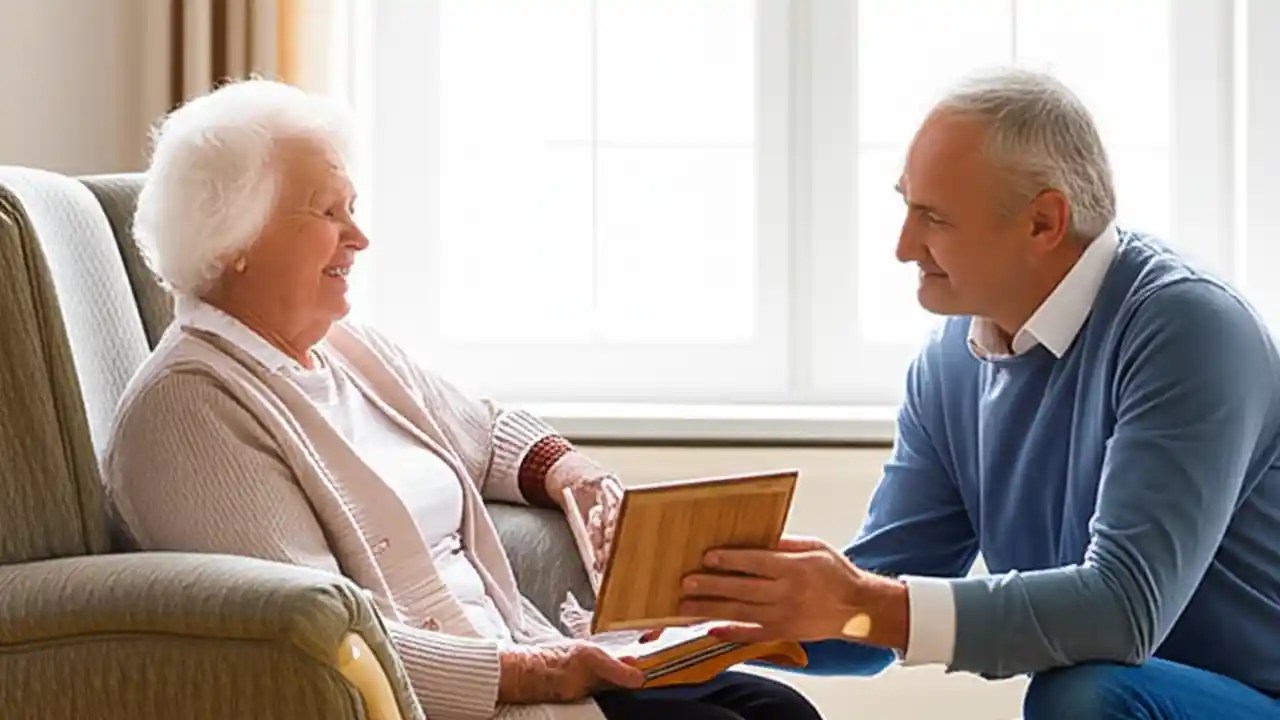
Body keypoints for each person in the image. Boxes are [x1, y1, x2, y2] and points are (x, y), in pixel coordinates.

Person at [103, 79, 821, 720]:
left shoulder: (351, 351)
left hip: (531, 658)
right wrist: (534, 672)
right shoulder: (188, 415)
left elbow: (486, 431)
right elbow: (313, 634)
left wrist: (568, 470)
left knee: (778, 708)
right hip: (465, 699)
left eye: (354, 208)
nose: (359, 237)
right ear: (236, 238)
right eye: (328, 212)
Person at [672, 69, 1280, 718]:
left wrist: (863, 604)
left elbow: (1123, 612)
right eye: (905, 205)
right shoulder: (949, 366)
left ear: (1044, 222)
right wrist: (698, 622)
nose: (903, 247)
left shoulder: (1186, 328)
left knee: (1079, 696)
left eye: (933, 217)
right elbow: (864, 632)